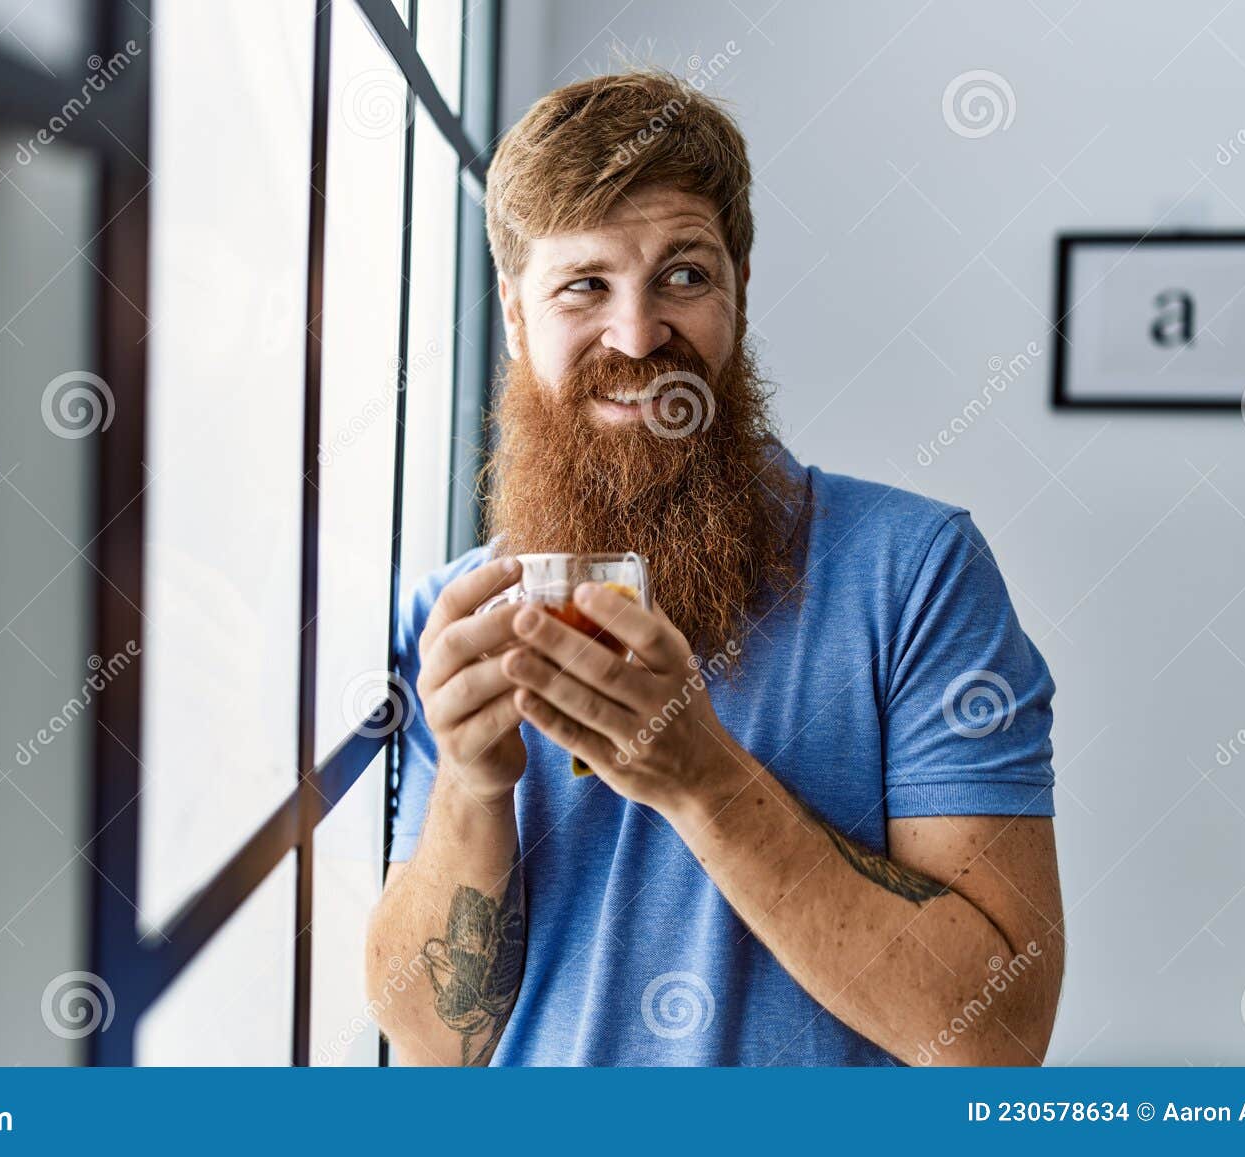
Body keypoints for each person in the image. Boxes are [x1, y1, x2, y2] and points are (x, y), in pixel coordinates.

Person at [365, 70, 1063, 1066]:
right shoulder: (459, 611)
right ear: (517, 317)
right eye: (584, 285)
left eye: (682, 275)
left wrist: (698, 776)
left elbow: (996, 1037)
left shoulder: (915, 572)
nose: (639, 333)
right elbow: (435, 1040)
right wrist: (473, 785)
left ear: (739, 291)